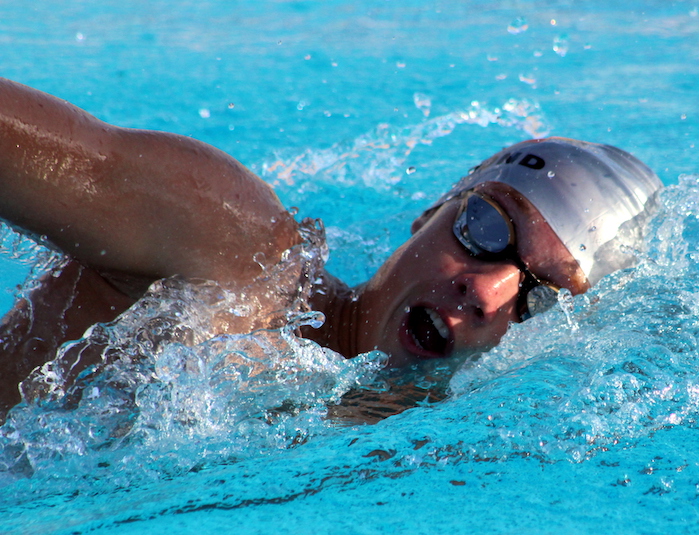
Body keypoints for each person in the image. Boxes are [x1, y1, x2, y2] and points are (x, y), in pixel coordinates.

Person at [0, 78, 662, 415]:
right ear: (436, 209)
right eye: (487, 229)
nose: (486, 291)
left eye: (536, 299)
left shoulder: (431, 465)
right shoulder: (233, 249)